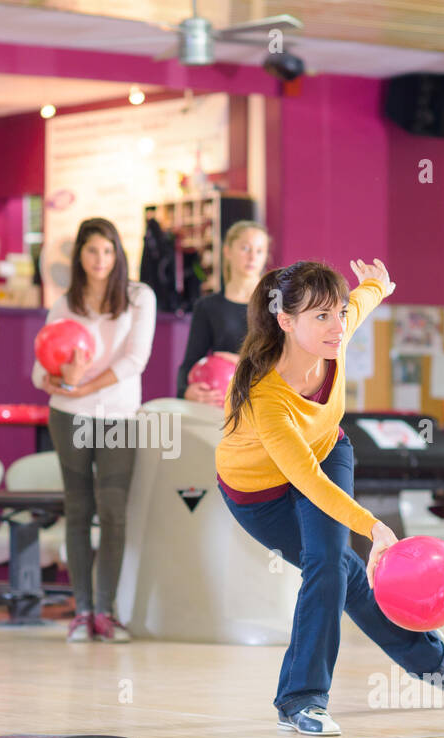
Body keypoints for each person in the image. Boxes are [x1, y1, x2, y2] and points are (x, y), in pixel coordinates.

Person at [215, 258, 444, 735]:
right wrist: (376, 528)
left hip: (327, 451)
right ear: (286, 321)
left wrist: (376, 284)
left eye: (337, 312)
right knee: (338, 570)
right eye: (321, 316)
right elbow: (306, 483)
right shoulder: (264, 395)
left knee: (330, 565)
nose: (337, 325)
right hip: (259, 493)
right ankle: (305, 700)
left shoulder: (333, 338)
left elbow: (362, 302)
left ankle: (319, 693)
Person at [33, 218, 157, 642]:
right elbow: (39, 367)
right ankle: (82, 612)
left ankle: (106, 612)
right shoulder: (66, 303)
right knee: (78, 511)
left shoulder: (140, 297)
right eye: (91, 251)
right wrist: (54, 380)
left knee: (114, 513)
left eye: (108, 251)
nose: (100, 260)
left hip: (118, 416)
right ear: (79, 256)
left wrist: (85, 382)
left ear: (118, 254)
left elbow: (135, 361)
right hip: (68, 414)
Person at [177, 220, 269, 404]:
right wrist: (186, 391)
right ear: (227, 251)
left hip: (266, 403)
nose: (252, 257)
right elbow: (190, 362)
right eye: (245, 248)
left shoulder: (277, 304)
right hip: (221, 406)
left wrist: (242, 363)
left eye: (259, 251)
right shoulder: (207, 306)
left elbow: (288, 363)